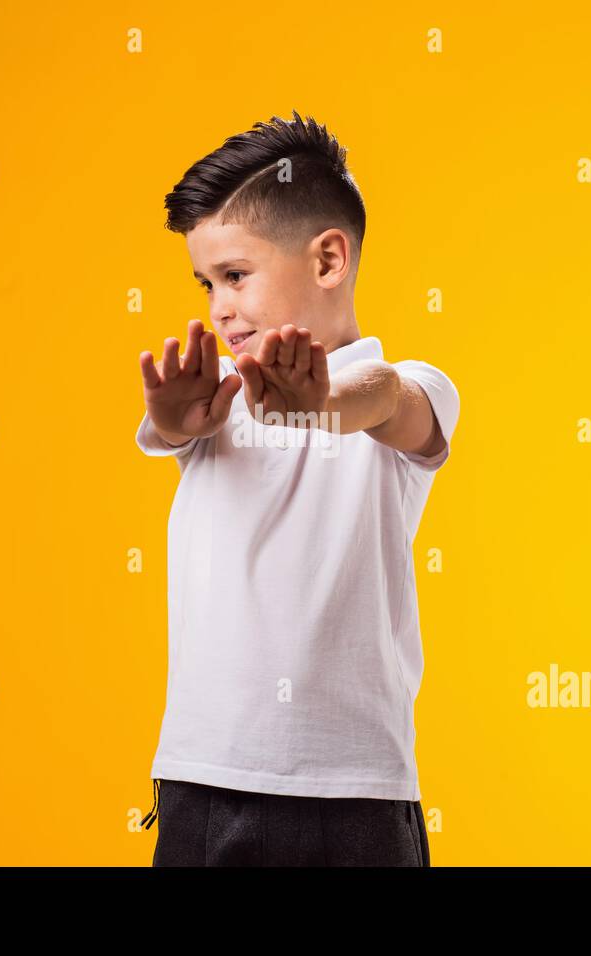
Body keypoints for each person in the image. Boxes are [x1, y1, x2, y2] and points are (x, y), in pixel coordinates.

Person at [135, 111, 459, 866]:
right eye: (206, 282)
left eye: (236, 275)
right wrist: (174, 421)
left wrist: (323, 407)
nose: (218, 306)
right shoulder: (211, 399)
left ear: (327, 260)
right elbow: (178, 429)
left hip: (357, 796)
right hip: (204, 780)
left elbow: (386, 400)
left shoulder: (410, 388)